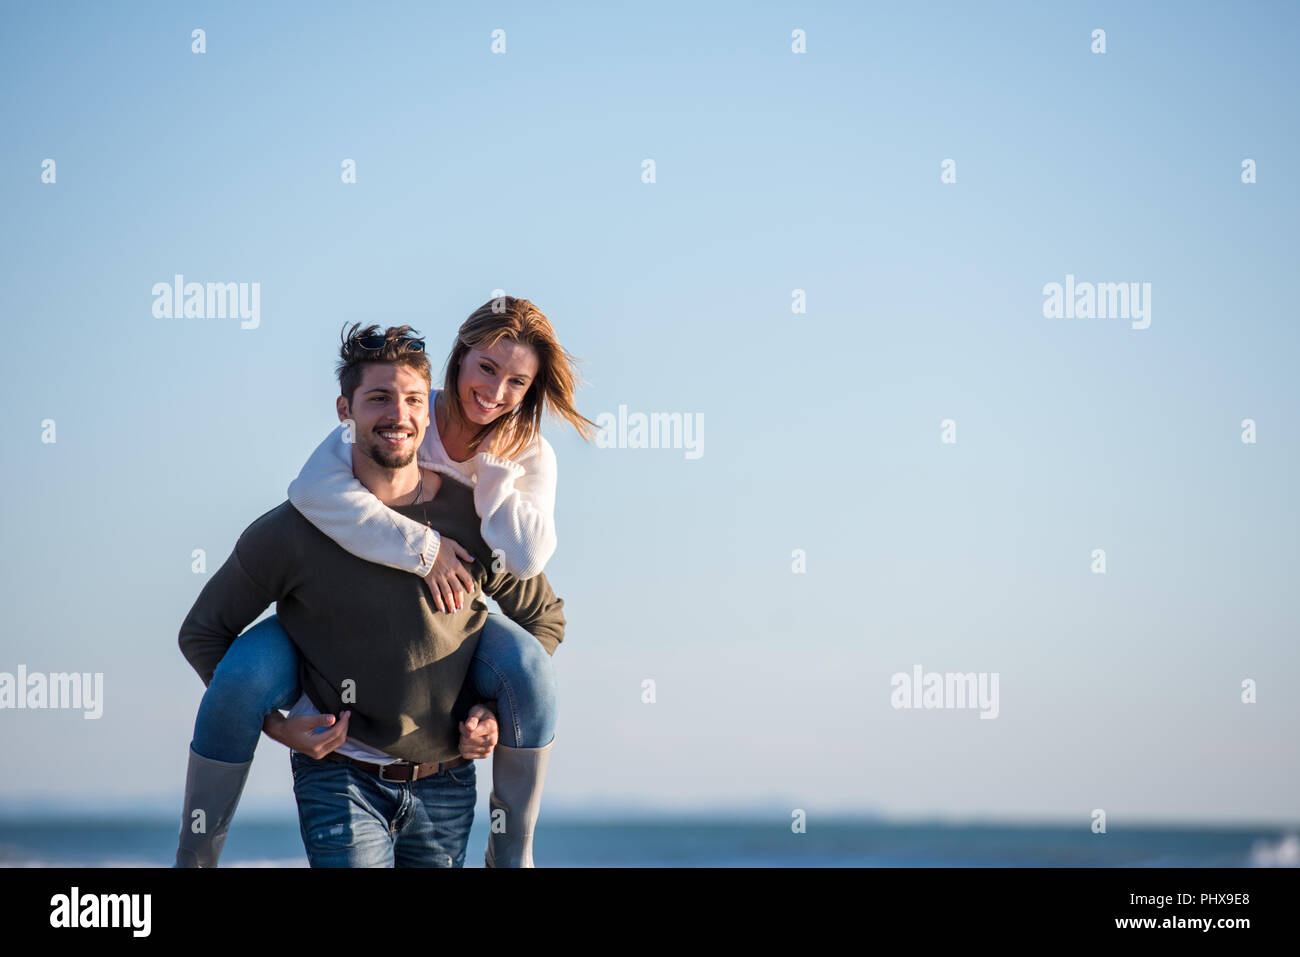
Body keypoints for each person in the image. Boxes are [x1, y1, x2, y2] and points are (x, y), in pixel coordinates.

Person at [174, 300, 594, 867]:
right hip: (340, 778)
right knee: (247, 667)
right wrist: (281, 726)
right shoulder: (297, 524)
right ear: (344, 411)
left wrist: (491, 716)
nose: (398, 415)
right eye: (378, 399)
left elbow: (543, 616)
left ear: (428, 412)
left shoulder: (476, 515)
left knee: (526, 663)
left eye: (412, 401)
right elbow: (204, 632)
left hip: (446, 782)